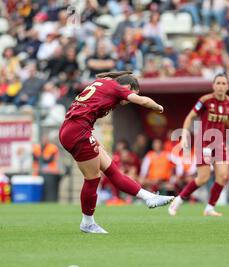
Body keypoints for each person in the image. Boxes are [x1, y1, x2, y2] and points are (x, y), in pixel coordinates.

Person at [59, 71, 174, 234]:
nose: (128, 98)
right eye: (133, 92)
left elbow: (105, 78)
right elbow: (142, 101)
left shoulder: (106, 81)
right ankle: (87, 223)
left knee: (112, 171)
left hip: (74, 129)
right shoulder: (117, 88)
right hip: (78, 131)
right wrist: (158, 107)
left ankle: (149, 197)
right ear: (128, 87)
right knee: (93, 178)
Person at [168, 73, 229, 217]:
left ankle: (210, 208)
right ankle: (178, 200)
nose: (221, 86)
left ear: (228, 86)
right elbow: (190, 116)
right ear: (213, 85)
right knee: (203, 178)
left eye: (224, 83)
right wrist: (184, 134)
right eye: (218, 83)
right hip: (203, 143)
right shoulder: (205, 100)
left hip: (219, 143)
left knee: (222, 176)